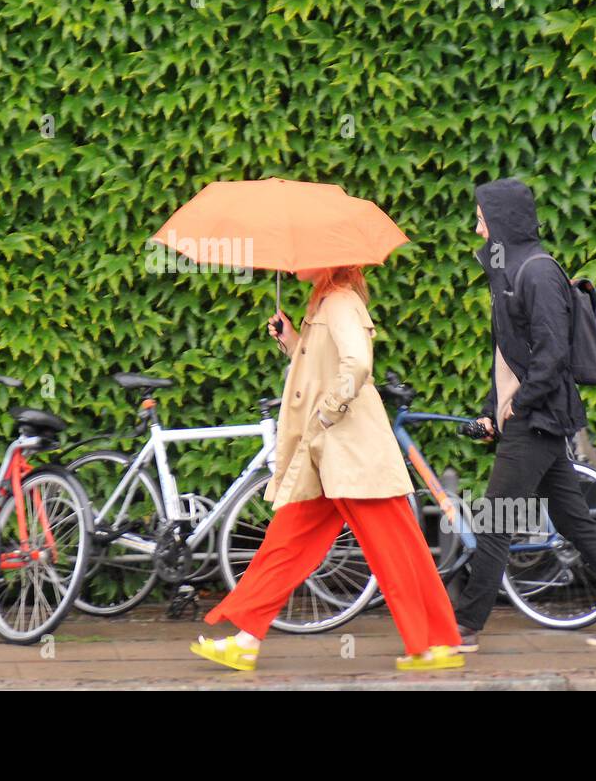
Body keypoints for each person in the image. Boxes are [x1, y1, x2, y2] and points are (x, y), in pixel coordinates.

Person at [190, 265, 462, 672]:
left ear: (328, 261)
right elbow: (326, 365)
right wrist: (292, 341)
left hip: (353, 453)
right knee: (286, 544)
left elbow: (357, 364)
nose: (293, 266)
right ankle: (245, 640)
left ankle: (434, 644)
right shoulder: (324, 303)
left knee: (395, 550)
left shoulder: (339, 302)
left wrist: (328, 412)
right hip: (329, 455)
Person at [457, 178, 596, 650]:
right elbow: (509, 357)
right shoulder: (508, 273)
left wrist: (519, 406)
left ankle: (463, 627)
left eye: (483, 219)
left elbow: (553, 356)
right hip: (530, 416)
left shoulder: (538, 273)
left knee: (495, 519)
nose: (478, 228)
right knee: (575, 521)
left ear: (503, 220)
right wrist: (492, 411)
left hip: (538, 418)